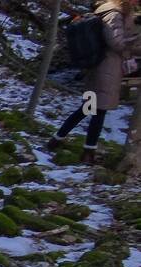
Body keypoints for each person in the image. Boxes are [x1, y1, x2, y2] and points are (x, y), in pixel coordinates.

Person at [48, 0, 139, 164]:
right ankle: (88, 153)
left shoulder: (107, 10)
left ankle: (57, 139)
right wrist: (134, 40)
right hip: (106, 69)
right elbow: (116, 42)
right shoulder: (114, 14)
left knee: (87, 108)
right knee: (98, 110)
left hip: (96, 66)